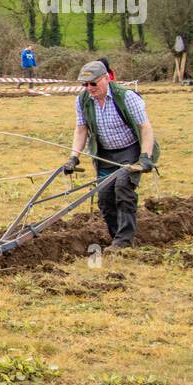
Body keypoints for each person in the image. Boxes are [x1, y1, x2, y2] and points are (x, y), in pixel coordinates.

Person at [61, 61, 158, 251]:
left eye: (93, 84)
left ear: (106, 79)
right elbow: (81, 130)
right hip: (104, 155)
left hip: (130, 152)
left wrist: (146, 156)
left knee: (123, 188)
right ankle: (117, 237)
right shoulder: (82, 101)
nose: (89, 88)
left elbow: (145, 128)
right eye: (85, 84)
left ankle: (124, 241)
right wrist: (74, 157)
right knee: (105, 198)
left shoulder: (126, 97)